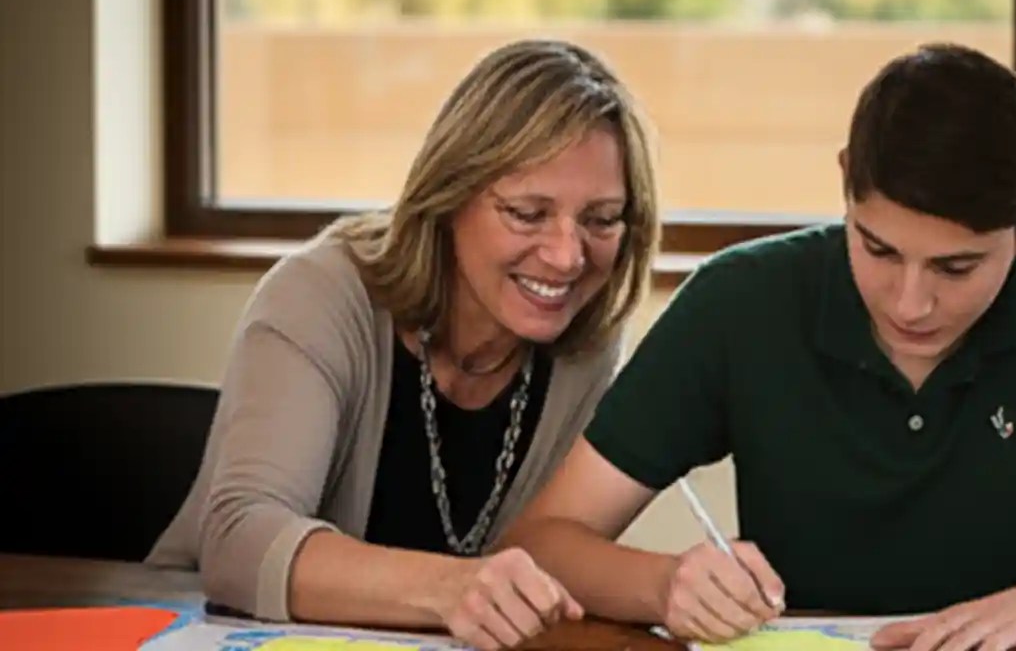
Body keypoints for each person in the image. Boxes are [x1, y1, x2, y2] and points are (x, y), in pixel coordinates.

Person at [499, 43, 1016, 649]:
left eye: (956, 267)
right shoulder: (741, 301)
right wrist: (666, 584)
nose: (911, 302)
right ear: (844, 182)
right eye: (877, 249)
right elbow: (544, 542)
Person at [147, 39, 659, 651]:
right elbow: (238, 541)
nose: (567, 256)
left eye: (601, 219)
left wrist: (676, 582)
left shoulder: (586, 344)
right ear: (448, 196)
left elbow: (543, 554)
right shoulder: (320, 295)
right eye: (527, 213)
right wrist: (453, 588)